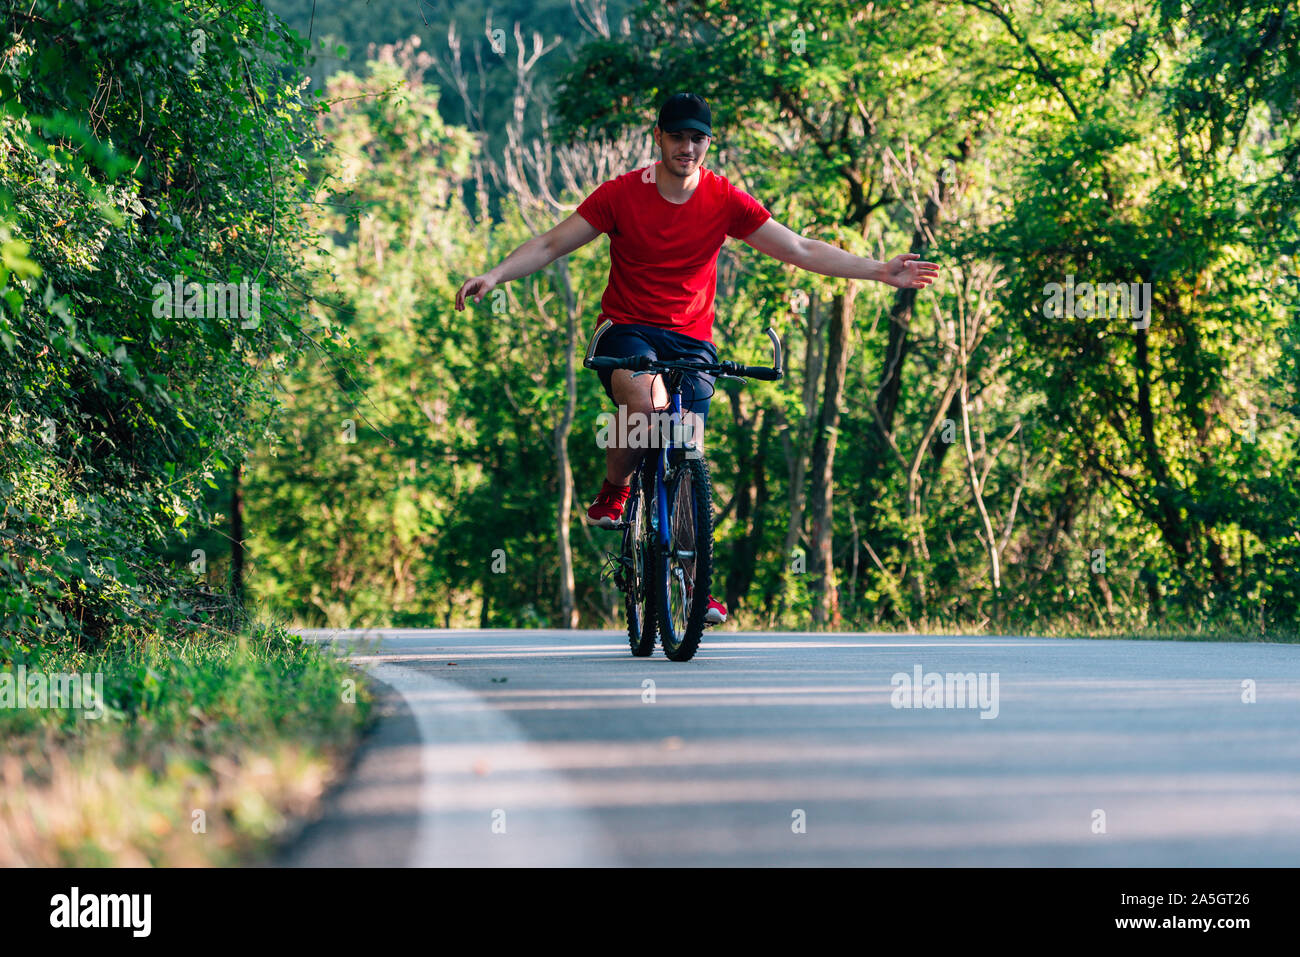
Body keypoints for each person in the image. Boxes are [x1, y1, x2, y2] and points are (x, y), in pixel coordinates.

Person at [455, 92, 939, 625]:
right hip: (628, 329)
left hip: (691, 342)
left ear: (708, 143)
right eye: (677, 136)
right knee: (642, 401)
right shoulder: (621, 195)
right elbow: (550, 245)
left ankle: (693, 582)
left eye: (697, 138)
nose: (687, 147)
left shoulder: (724, 199)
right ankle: (616, 490)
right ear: (657, 137)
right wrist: (495, 274)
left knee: (686, 449)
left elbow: (800, 249)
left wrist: (879, 270)